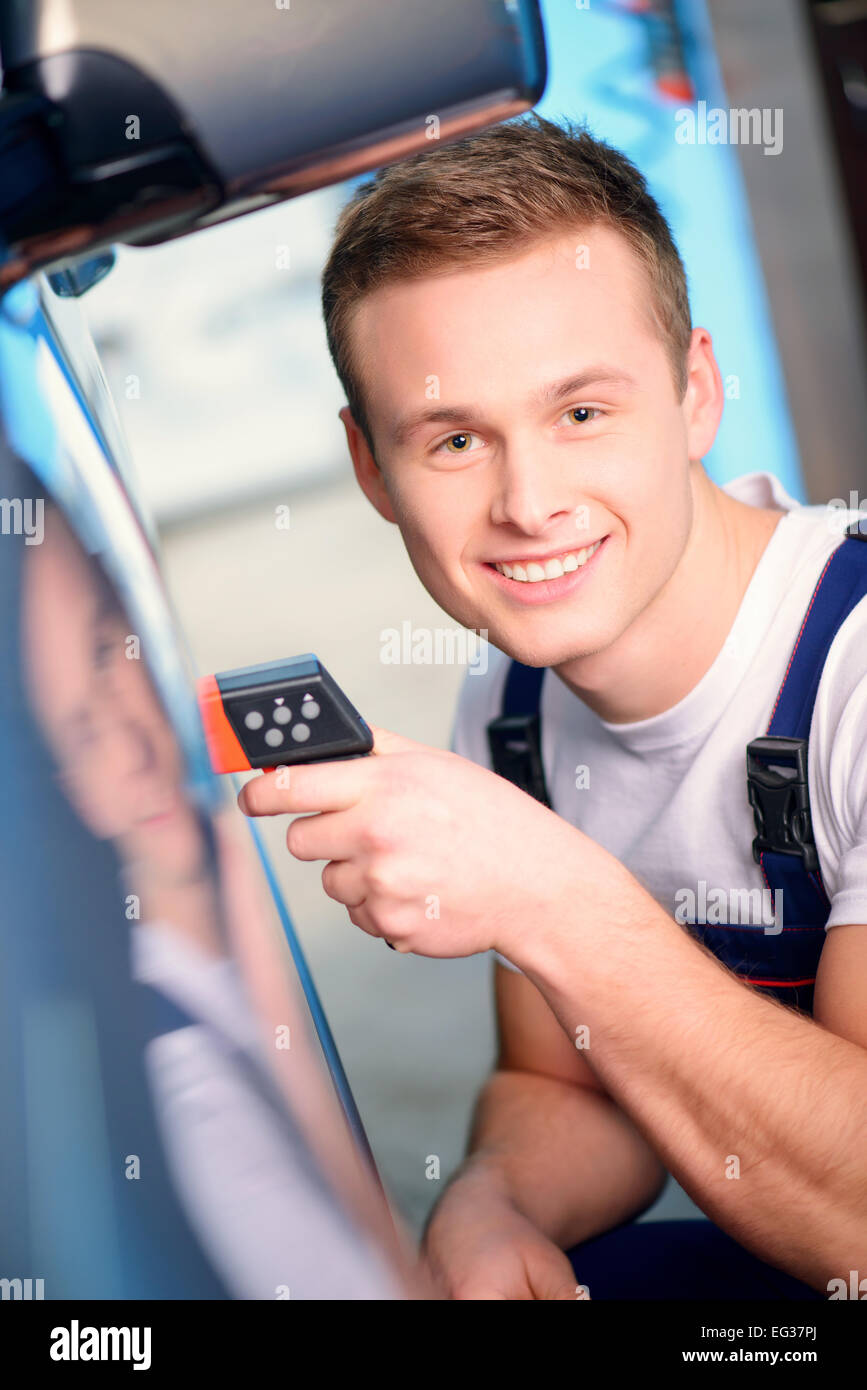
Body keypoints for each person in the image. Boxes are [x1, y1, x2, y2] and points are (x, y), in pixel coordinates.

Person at [240, 115, 867, 1299]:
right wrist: (493, 1199)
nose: (529, 504)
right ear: (371, 467)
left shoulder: (853, 667)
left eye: (582, 412)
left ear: (695, 395)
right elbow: (569, 1084)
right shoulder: (517, 698)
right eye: (458, 438)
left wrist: (545, 889)